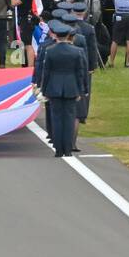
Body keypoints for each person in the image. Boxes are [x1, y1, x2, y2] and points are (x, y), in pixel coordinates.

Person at [40, 21, 89, 158]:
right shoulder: (77, 52)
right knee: (68, 119)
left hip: (54, 88)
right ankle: (68, 149)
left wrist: (44, 91)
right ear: (68, 36)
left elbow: (46, 72)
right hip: (71, 87)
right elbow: (80, 73)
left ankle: (58, 149)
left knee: (57, 120)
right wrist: (81, 90)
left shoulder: (50, 51)